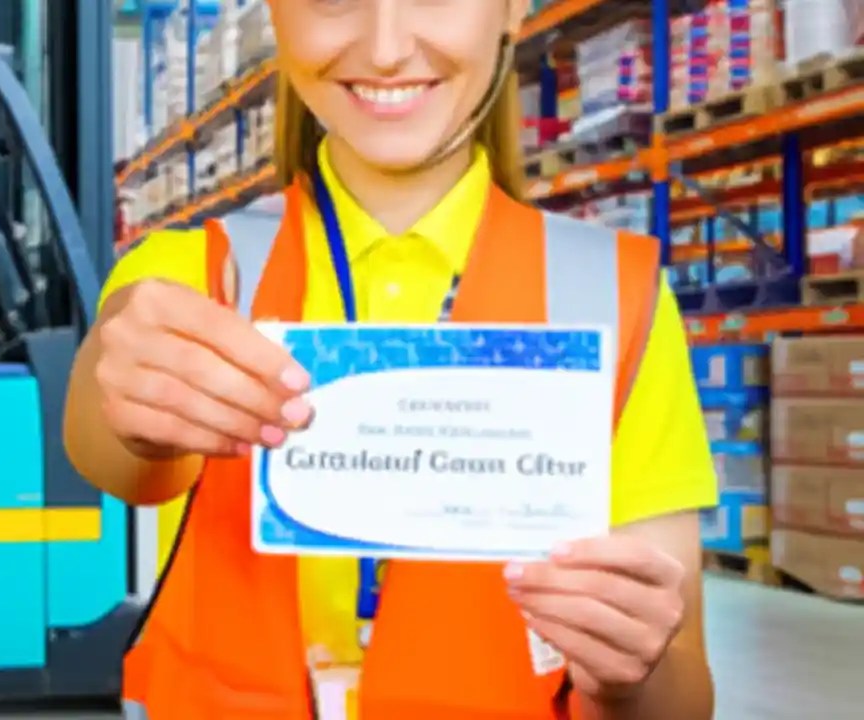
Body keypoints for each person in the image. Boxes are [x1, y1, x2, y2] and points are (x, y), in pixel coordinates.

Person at [64, 1, 717, 718]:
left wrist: (629, 671)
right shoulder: (193, 277)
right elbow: (113, 456)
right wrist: (124, 391)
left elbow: (677, 696)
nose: (385, 48)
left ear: (510, 10)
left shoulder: (616, 297)